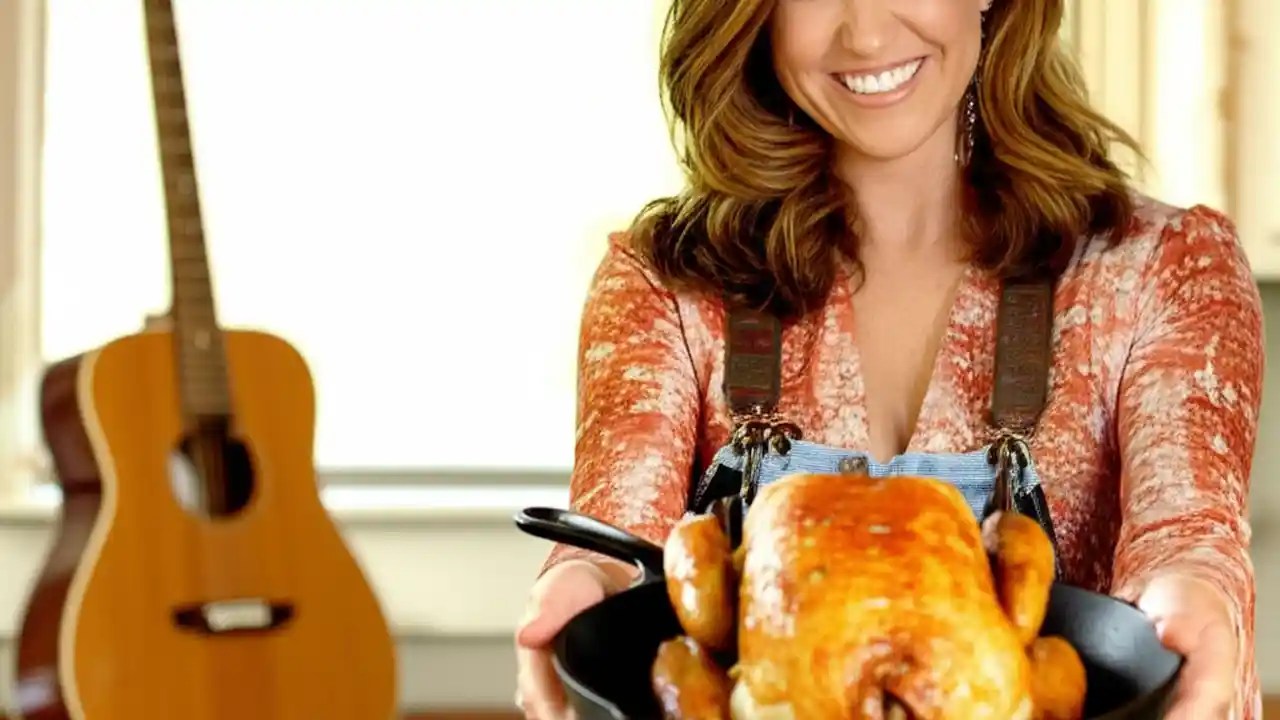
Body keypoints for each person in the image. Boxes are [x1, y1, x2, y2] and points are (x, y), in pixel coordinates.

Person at [514, 0, 1264, 718]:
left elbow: (1184, 539)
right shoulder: (666, 284)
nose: (867, 34)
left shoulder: (1165, 268)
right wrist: (585, 580)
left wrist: (1191, 599)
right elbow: (620, 546)